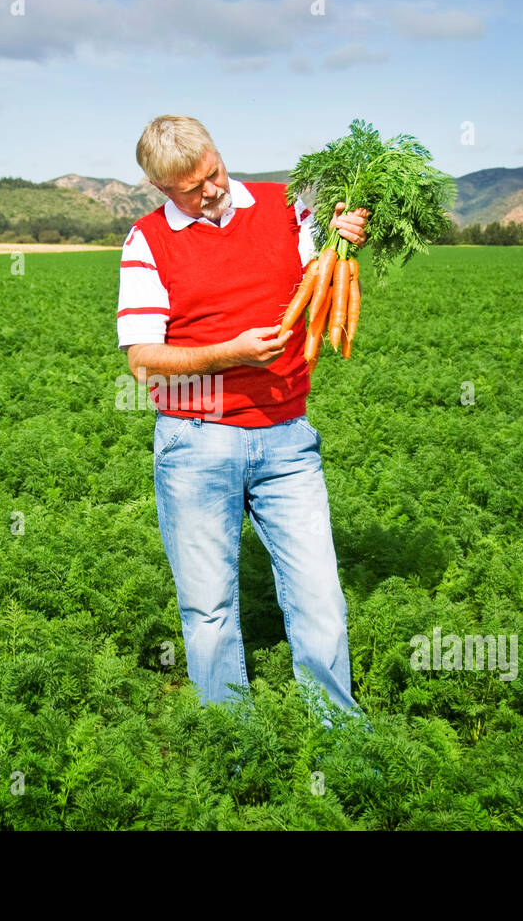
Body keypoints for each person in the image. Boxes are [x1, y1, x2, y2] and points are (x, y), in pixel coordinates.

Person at [116, 114, 371, 729]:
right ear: (161, 190)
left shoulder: (288, 209)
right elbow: (143, 364)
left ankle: (343, 737)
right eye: (190, 188)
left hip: (287, 437)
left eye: (213, 173)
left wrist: (343, 235)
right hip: (196, 442)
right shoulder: (146, 241)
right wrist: (226, 354)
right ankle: (231, 745)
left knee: (319, 595)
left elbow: (327, 273)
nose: (209, 191)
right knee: (208, 608)